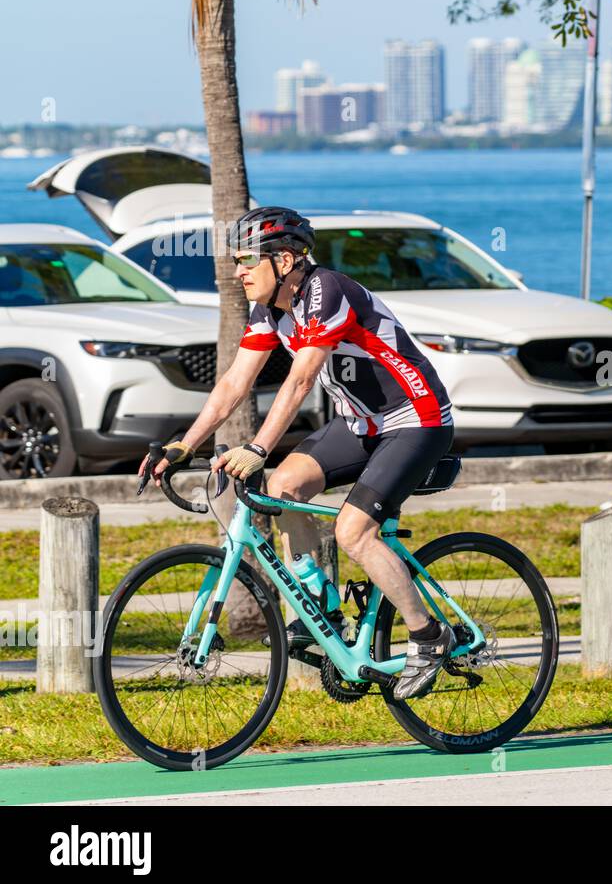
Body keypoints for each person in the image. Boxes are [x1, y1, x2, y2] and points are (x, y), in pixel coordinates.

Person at [142, 206, 456, 700]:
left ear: (284, 260)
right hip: (362, 424)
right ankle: (320, 603)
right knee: (282, 487)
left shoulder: (326, 292)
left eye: (247, 260)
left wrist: (258, 446)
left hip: (417, 419)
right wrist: (186, 444)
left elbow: (301, 379)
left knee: (354, 530)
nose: (237, 271)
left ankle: (430, 638)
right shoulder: (269, 310)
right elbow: (235, 382)